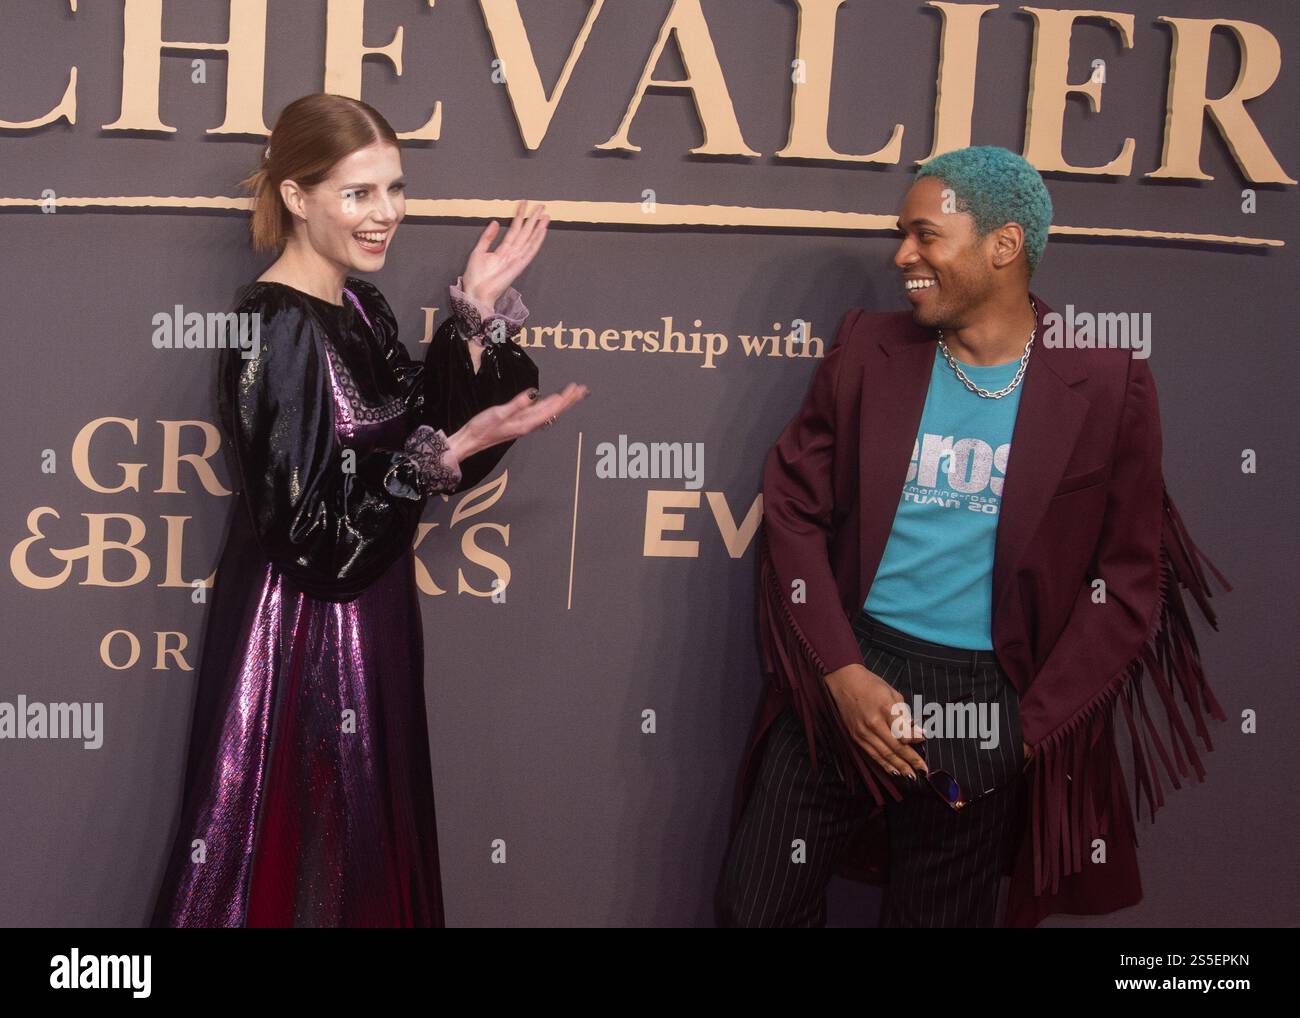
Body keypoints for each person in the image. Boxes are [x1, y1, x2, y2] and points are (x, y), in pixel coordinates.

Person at [717, 145, 1227, 928]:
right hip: (854, 667)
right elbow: (790, 508)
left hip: (985, 697)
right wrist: (842, 673)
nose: (903, 256)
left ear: (1003, 245)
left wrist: (1024, 734)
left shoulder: (1107, 383)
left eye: (926, 235)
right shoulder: (866, 350)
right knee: (754, 907)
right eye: (903, 234)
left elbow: (1127, 583)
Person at [150, 93, 587, 927]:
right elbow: (310, 536)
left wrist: (477, 313)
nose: (386, 214)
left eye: (395, 187)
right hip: (298, 636)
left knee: (358, 860)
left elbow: (439, 432)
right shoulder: (269, 327)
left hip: (372, 613)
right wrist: (436, 460)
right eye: (359, 194)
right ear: (296, 196)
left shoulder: (361, 307)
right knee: (302, 853)